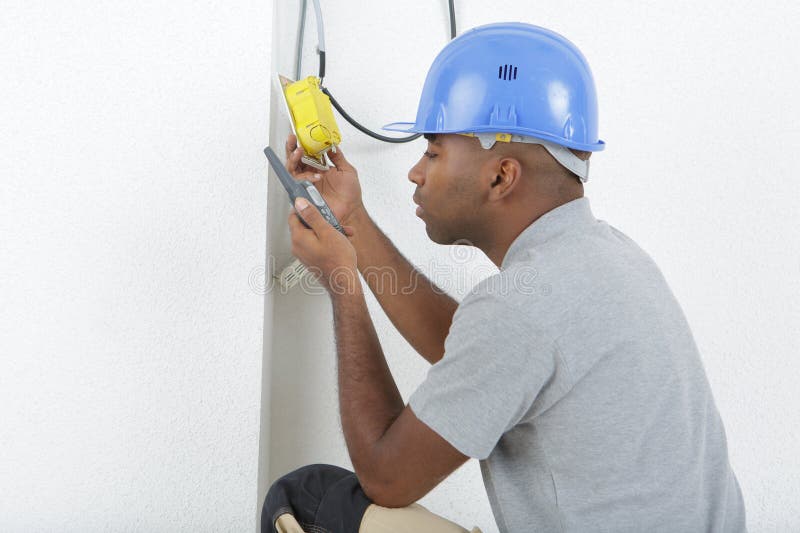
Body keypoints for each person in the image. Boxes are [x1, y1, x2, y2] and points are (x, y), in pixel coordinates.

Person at [263, 22, 746, 533]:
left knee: (309, 499)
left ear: (501, 176)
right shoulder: (610, 258)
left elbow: (386, 476)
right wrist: (354, 224)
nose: (415, 173)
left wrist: (343, 284)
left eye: (433, 151)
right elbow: (473, 347)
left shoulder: (521, 313)